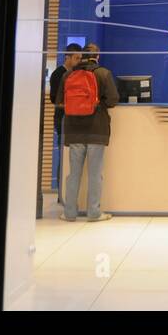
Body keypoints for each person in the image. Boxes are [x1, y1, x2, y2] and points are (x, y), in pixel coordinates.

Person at [61, 42, 119, 222]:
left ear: (82, 56)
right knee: (95, 174)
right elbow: (112, 100)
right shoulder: (104, 73)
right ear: (97, 56)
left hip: (74, 130)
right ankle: (93, 212)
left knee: (74, 174)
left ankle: (70, 213)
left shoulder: (68, 75)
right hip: (96, 130)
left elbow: (59, 101)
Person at [47, 43, 83, 203]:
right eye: (76, 58)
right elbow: (55, 100)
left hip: (73, 119)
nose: (78, 61)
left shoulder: (77, 74)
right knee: (63, 155)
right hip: (62, 119)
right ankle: (61, 194)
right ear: (67, 57)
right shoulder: (58, 74)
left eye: (80, 58)